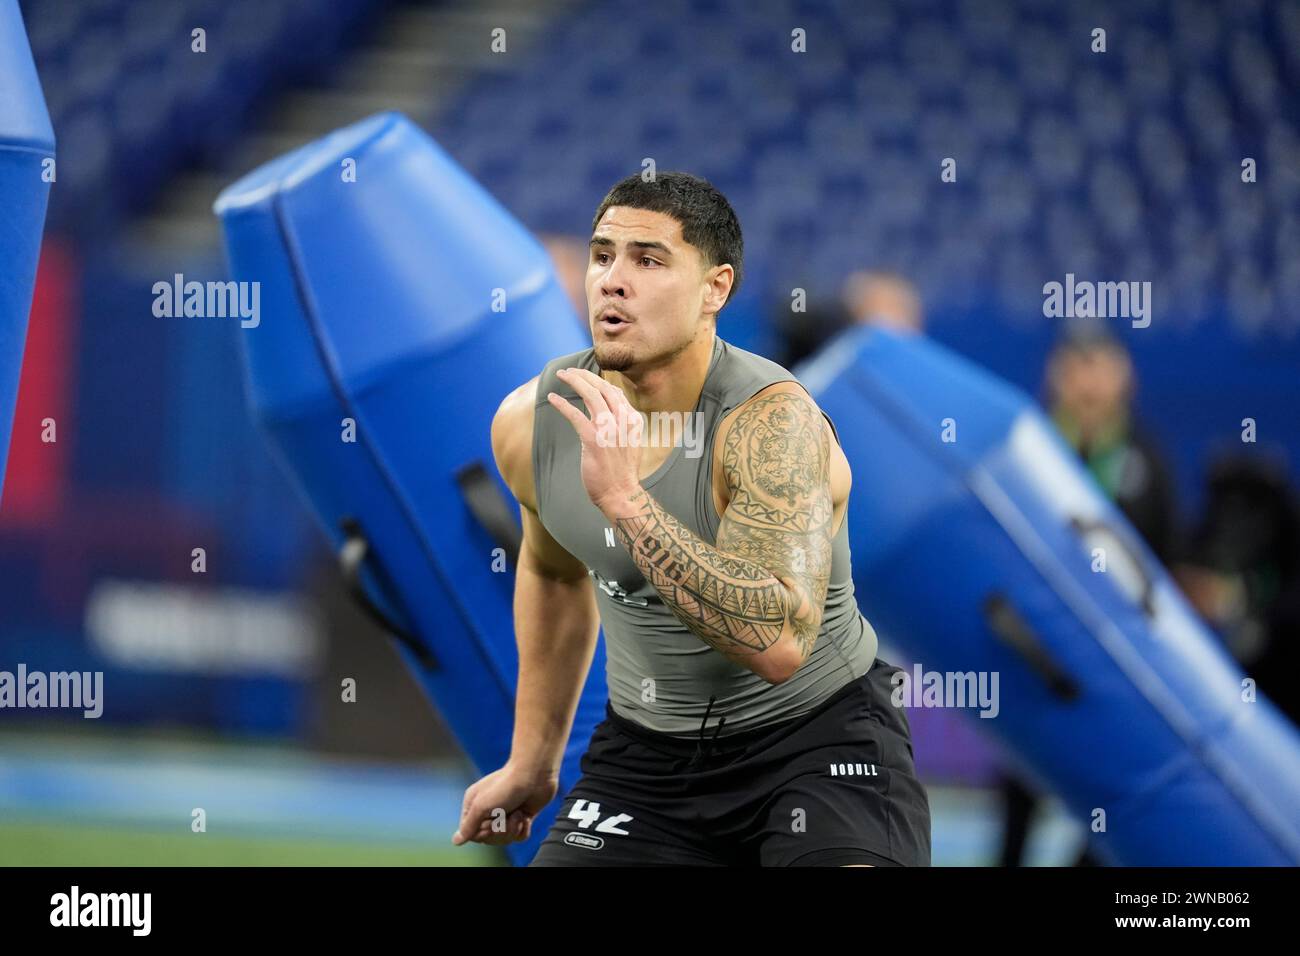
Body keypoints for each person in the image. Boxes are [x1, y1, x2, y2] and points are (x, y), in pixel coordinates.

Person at [452, 171, 931, 866]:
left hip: (818, 740)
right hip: (645, 760)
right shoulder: (534, 424)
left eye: (648, 260)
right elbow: (552, 574)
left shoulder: (771, 425)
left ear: (716, 289)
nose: (613, 281)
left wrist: (628, 505)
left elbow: (777, 641)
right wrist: (531, 760)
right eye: (602, 255)